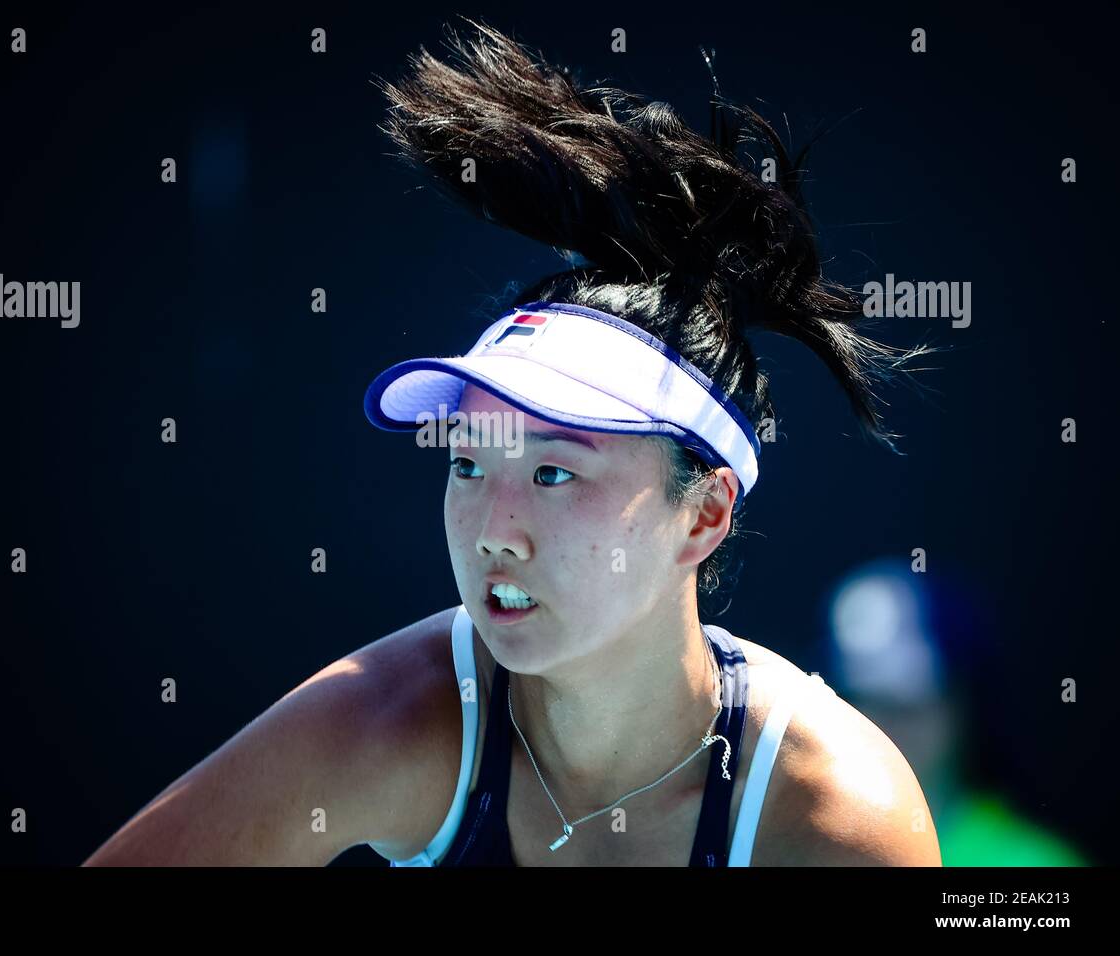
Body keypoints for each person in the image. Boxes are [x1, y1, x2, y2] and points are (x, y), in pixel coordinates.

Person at [83, 18, 943, 867]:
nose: (494, 527)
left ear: (705, 514)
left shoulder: (840, 816)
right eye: (467, 462)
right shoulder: (389, 714)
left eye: (554, 472)